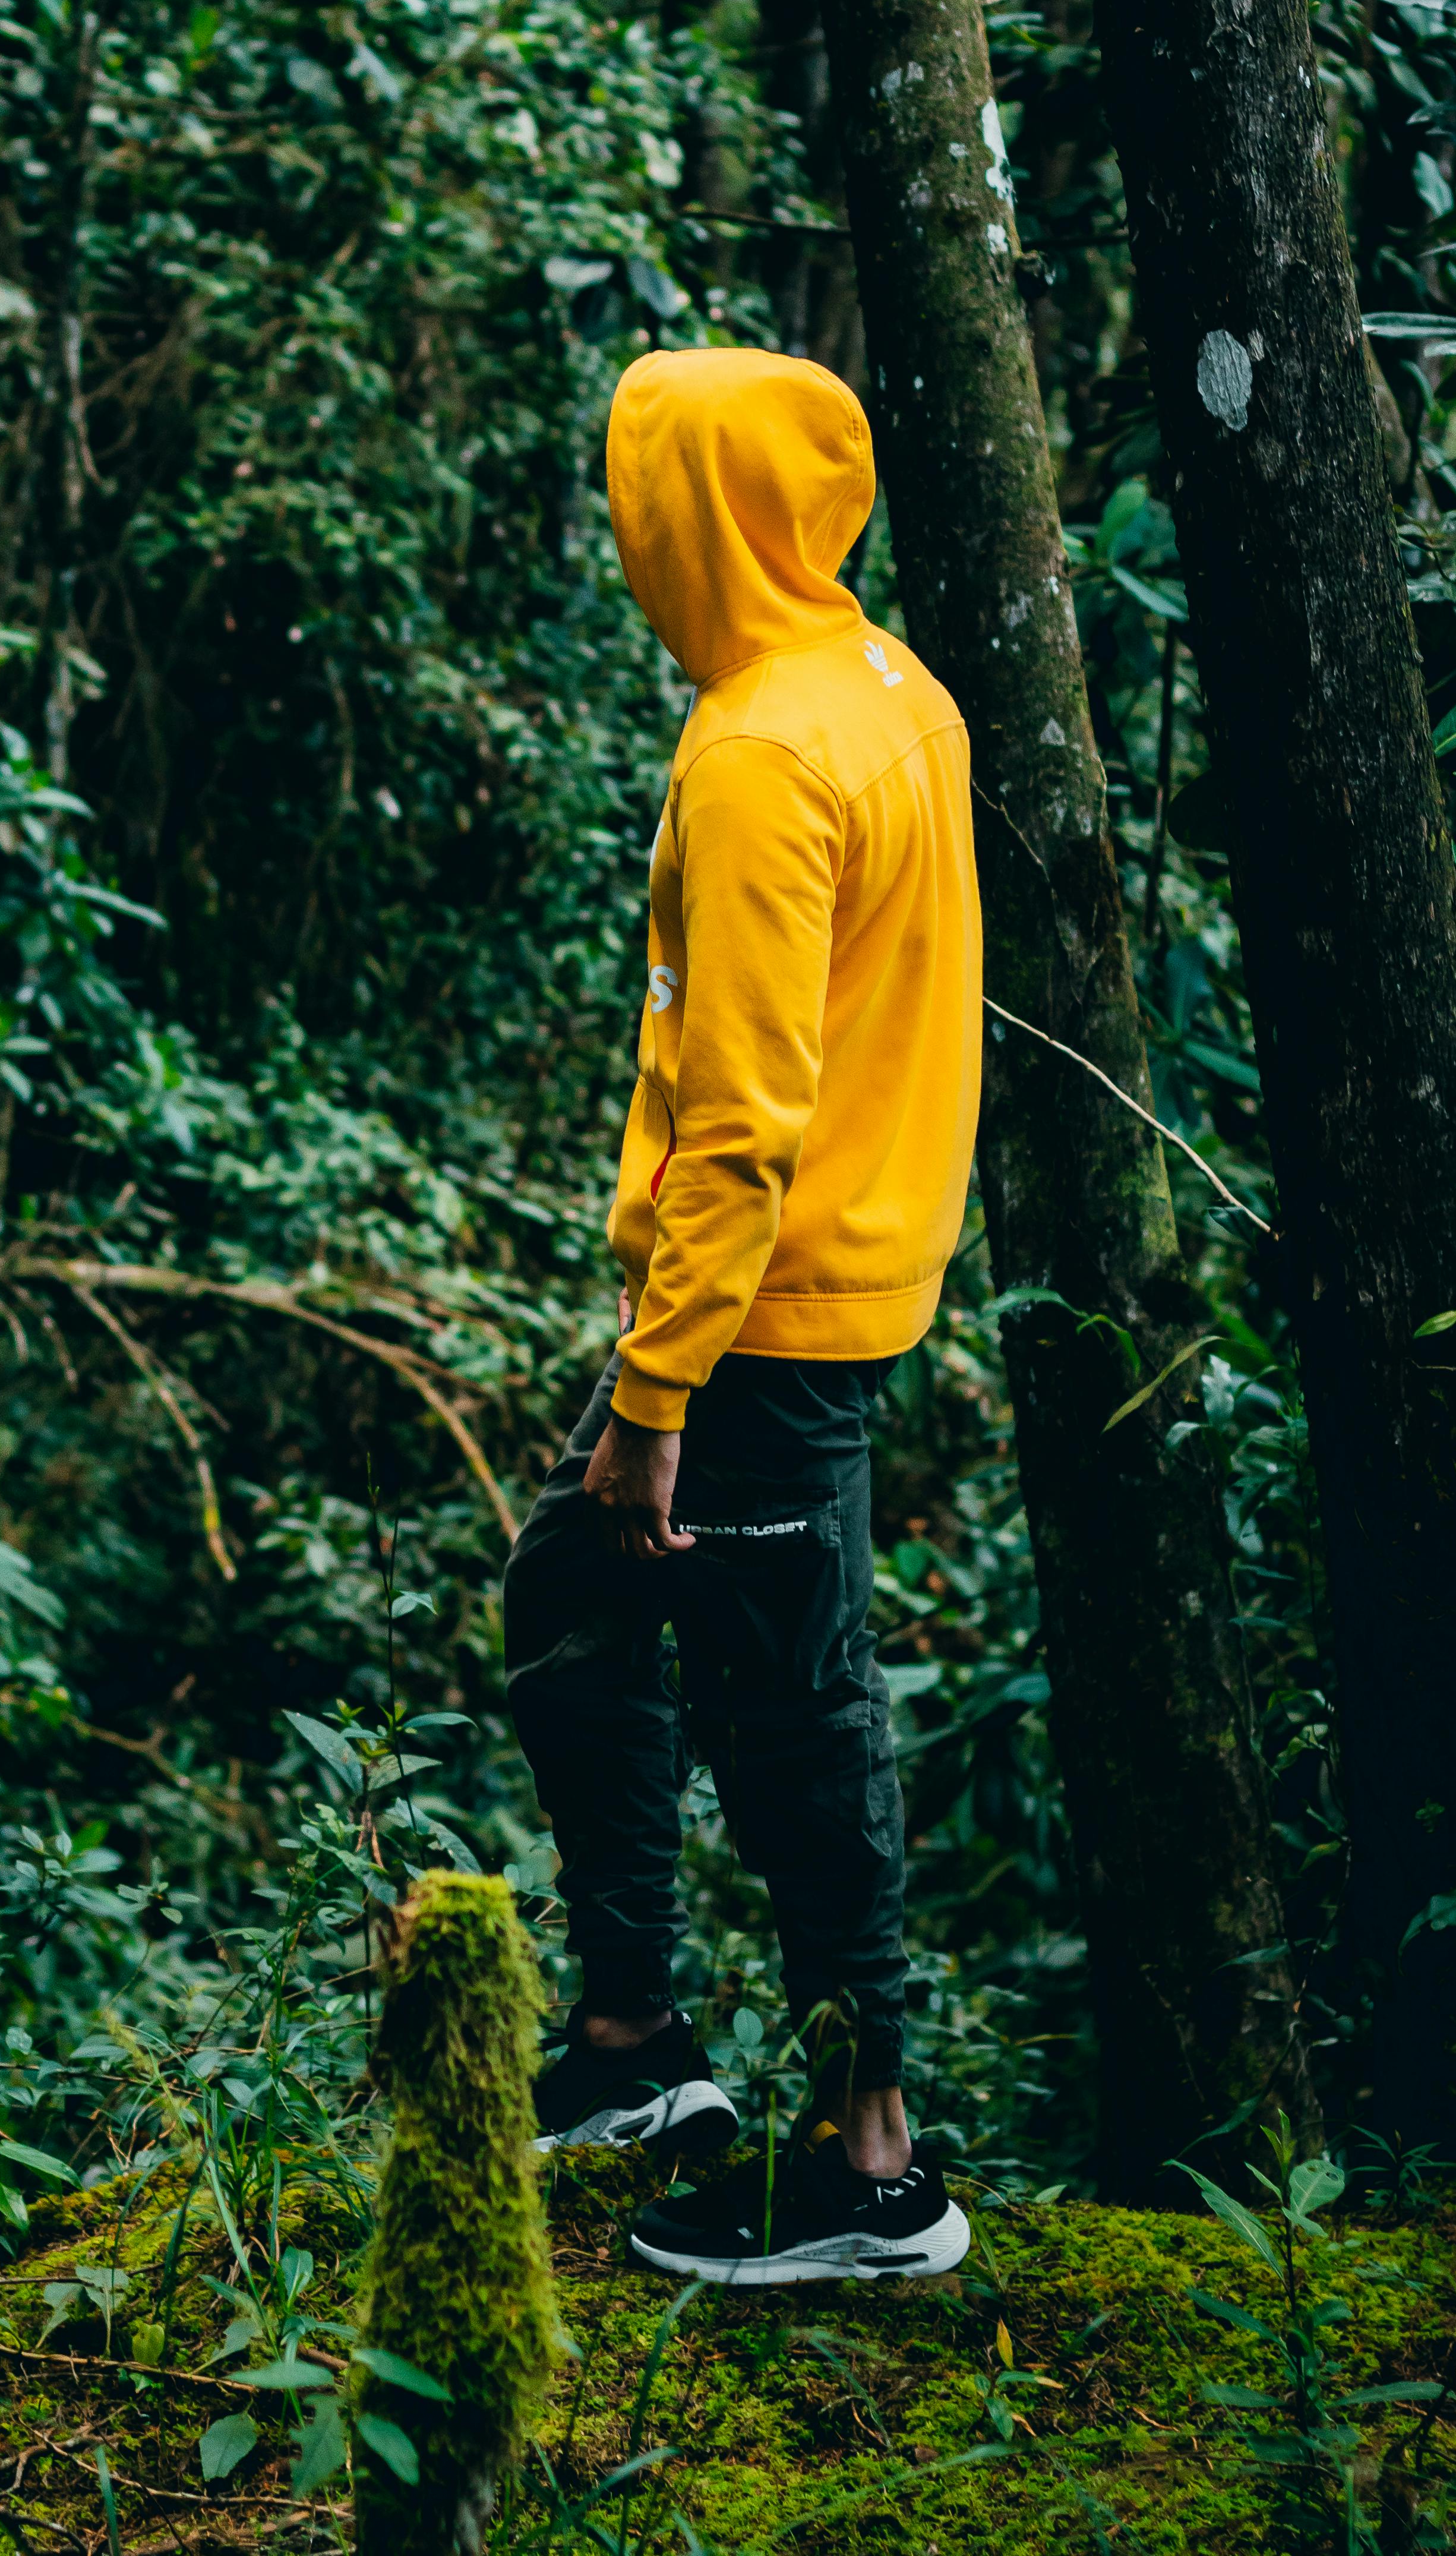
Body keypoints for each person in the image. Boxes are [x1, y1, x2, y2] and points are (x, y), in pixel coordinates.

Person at [504, 346, 980, 2286]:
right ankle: (634, 2046)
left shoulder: (764, 752)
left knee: (797, 1715)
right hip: (822, 1288)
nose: (630, 537)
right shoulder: (887, 689)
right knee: (579, 1605)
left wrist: (654, 1386)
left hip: (769, 1318)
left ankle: (870, 2174)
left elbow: (743, 1118)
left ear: (692, 522)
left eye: (644, 501)